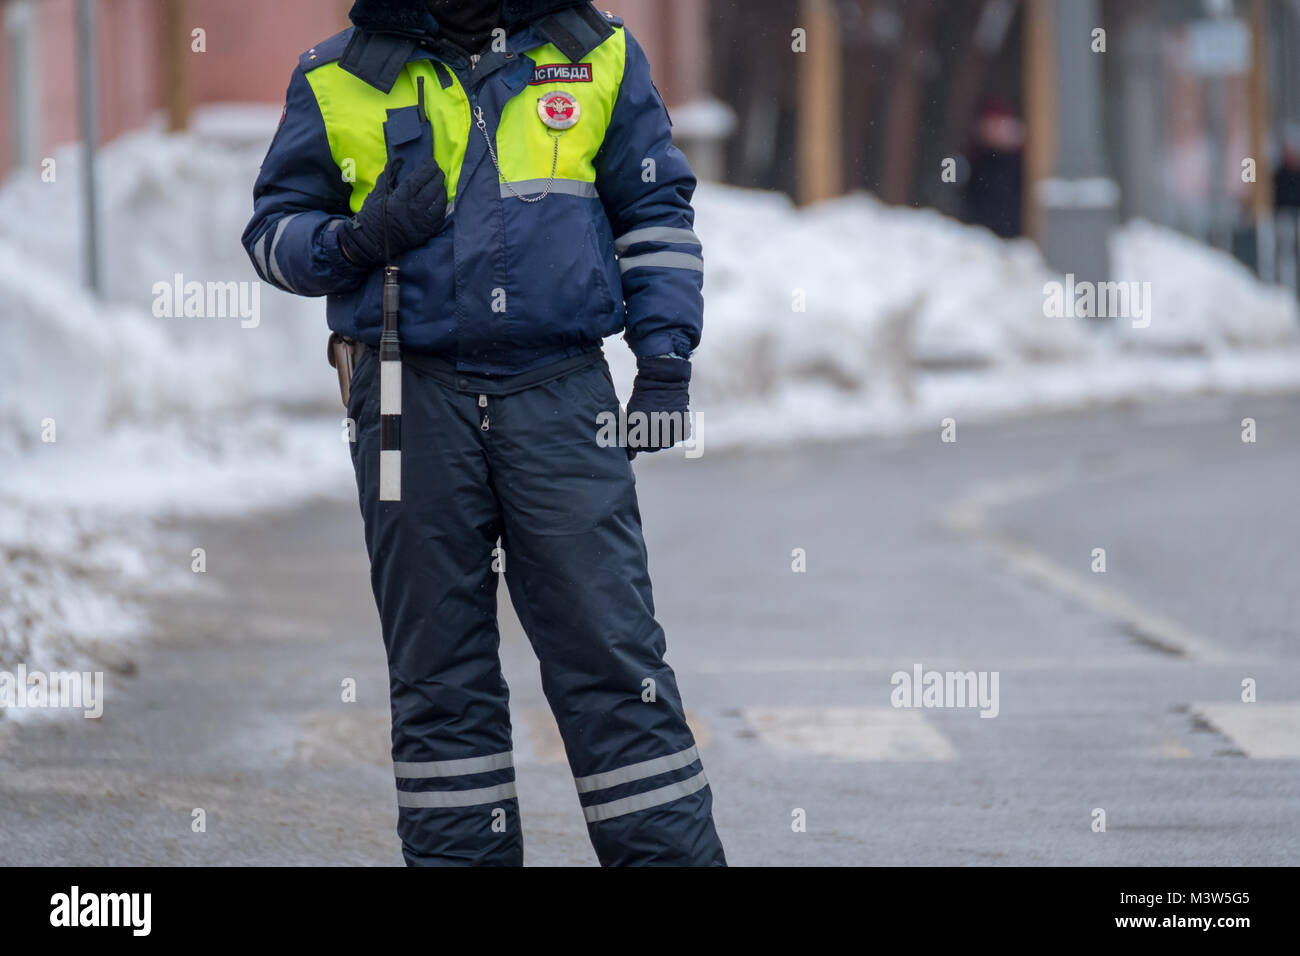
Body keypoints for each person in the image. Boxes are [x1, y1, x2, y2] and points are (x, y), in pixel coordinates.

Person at [242, 0, 725, 867]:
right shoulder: (335, 72)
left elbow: (655, 212)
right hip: (401, 405)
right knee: (438, 680)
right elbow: (272, 235)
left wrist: (664, 360)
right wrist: (356, 238)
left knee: (614, 663)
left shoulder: (599, 54)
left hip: (561, 393)